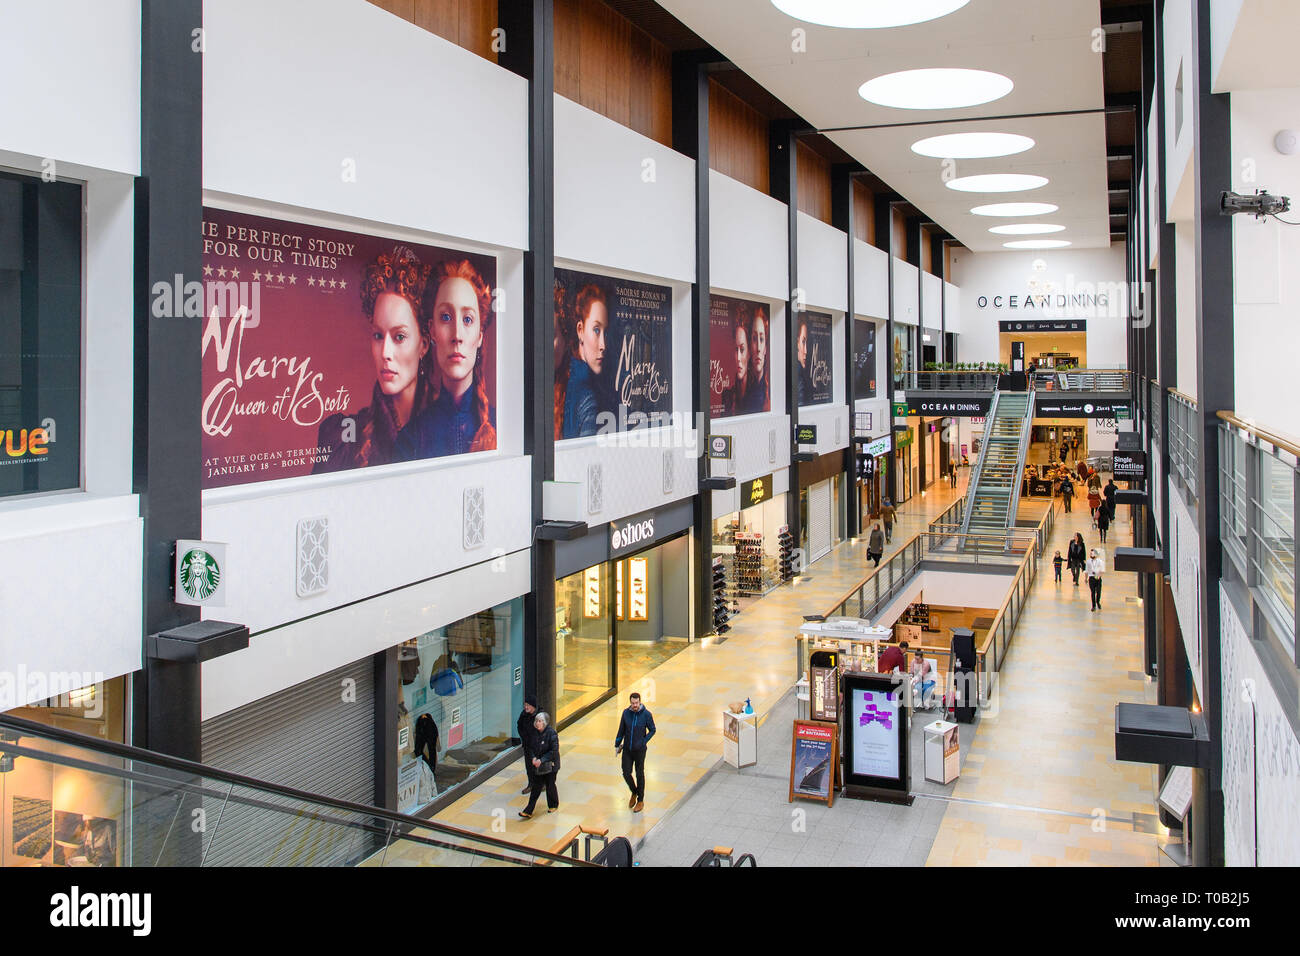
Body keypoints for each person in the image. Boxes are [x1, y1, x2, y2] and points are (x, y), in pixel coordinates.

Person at [314, 247, 430, 473]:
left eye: (399, 337)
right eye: (378, 336)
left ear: (423, 345)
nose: (385, 351)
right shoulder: (343, 439)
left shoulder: (451, 427)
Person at [395, 258, 497, 460]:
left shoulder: (504, 428)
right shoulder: (410, 441)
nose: (457, 335)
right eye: (446, 317)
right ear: (432, 330)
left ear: (480, 336)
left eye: (467, 319)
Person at [557, 283, 613, 439]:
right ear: (580, 330)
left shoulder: (567, 376)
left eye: (605, 332)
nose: (603, 345)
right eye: (596, 330)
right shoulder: (587, 395)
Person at [614, 692, 656, 813]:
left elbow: (653, 729)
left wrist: (644, 741)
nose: (635, 705)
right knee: (626, 772)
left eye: (636, 703)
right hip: (627, 748)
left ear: (640, 702)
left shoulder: (647, 715)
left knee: (639, 773)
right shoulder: (626, 713)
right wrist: (617, 744)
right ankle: (634, 791)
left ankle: (640, 800)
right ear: (630, 703)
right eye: (633, 703)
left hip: (640, 750)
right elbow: (621, 730)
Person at [519, 711, 560, 818]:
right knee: (536, 787)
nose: (537, 723)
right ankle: (528, 810)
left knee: (550, 784)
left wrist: (541, 760)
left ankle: (553, 804)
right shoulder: (535, 733)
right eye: (536, 721)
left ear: (545, 722)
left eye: (540, 721)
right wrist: (533, 757)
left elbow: (554, 751)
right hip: (538, 765)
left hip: (551, 765)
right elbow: (531, 747)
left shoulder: (551, 733)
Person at [721, 312, 750, 417]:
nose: (738, 358)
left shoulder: (758, 398)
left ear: (749, 353)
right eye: (735, 350)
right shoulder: (727, 397)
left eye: (742, 350)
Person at [743, 306, 770, 414]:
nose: (758, 348)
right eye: (754, 339)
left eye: (762, 339)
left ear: (765, 348)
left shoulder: (770, 393)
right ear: (749, 345)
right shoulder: (744, 393)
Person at [516, 695, 539, 796]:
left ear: (533, 706)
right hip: (527, 745)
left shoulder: (539, 716)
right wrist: (524, 737)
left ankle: (541, 784)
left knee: (538, 765)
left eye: (528, 705)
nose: (525, 707)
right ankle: (531, 784)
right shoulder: (524, 714)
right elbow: (519, 725)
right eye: (525, 705)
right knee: (529, 766)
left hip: (537, 746)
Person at [795, 315, 812, 406]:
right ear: (795, 342)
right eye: (803, 342)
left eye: (806, 342)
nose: (806, 351)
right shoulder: (798, 374)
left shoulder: (800, 373)